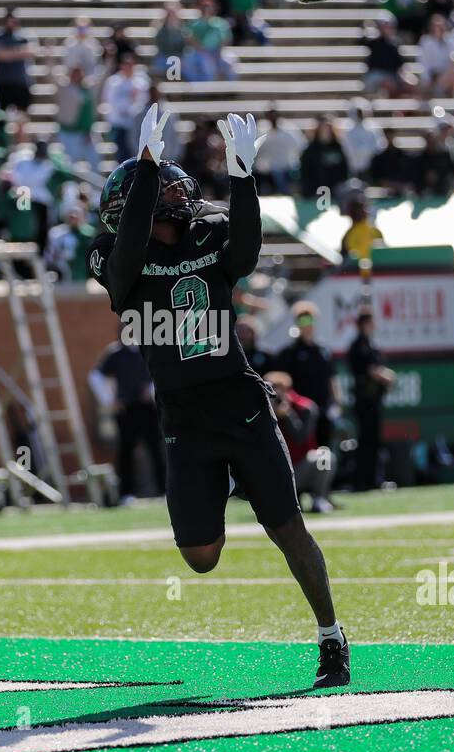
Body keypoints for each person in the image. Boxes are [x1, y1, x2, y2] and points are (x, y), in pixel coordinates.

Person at [86, 104, 348, 688]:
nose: (183, 195)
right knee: (200, 556)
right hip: (184, 417)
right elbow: (128, 263)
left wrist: (243, 177)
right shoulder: (113, 253)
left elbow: (246, 256)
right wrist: (147, 167)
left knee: (288, 529)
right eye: (166, 187)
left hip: (240, 403)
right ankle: (219, 486)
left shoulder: (210, 228)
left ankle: (331, 637)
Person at [89, 334, 163, 502]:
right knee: (125, 453)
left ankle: (164, 491)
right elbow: (95, 377)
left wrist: (151, 391)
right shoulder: (115, 353)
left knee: (156, 449)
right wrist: (109, 401)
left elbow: (162, 371)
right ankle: (126, 494)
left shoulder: (148, 349)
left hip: (148, 409)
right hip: (125, 410)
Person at [265, 370, 335, 513]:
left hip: (300, 466)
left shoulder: (305, 407)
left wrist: (288, 415)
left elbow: (300, 438)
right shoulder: (263, 410)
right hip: (278, 469)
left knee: (324, 456)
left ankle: (319, 498)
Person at [274, 301, 339, 449]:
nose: (307, 324)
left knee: (324, 452)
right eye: (303, 320)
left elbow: (332, 379)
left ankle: (323, 472)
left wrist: (336, 404)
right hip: (302, 413)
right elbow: (282, 384)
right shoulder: (288, 353)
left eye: (310, 320)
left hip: (324, 411)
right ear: (297, 323)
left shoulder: (323, 351)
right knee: (302, 449)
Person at [347, 310, 395, 491]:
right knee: (366, 441)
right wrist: (386, 376)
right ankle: (362, 481)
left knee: (374, 441)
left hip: (375, 400)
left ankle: (374, 479)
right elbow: (371, 370)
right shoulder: (358, 345)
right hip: (364, 401)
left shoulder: (371, 344)